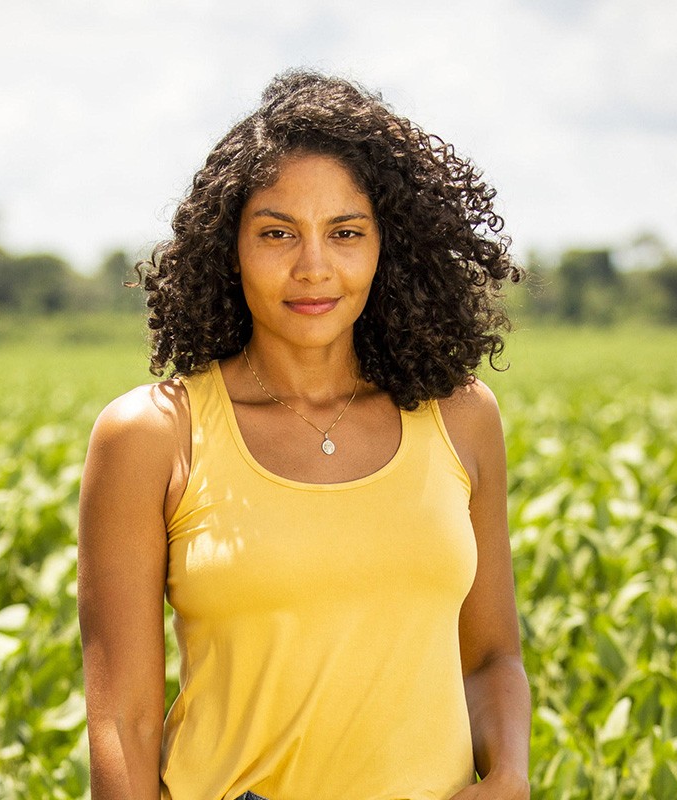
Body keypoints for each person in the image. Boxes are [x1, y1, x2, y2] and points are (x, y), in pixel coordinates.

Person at [77, 70, 530, 800]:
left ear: (391, 246)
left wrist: (508, 775)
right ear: (230, 248)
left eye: (346, 232)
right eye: (278, 233)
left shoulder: (461, 415)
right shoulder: (152, 434)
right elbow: (123, 722)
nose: (313, 266)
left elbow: (489, 659)